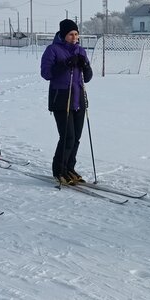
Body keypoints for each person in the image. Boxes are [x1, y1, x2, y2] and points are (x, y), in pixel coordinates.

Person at [40, 19, 93, 184]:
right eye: (71, 34)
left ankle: (70, 168)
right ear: (64, 35)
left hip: (78, 99)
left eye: (76, 34)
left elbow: (89, 77)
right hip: (62, 98)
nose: (74, 37)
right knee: (67, 137)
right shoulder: (53, 50)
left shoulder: (81, 51)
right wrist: (65, 64)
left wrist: (85, 66)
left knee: (76, 137)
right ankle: (59, 170)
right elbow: (46, 73)